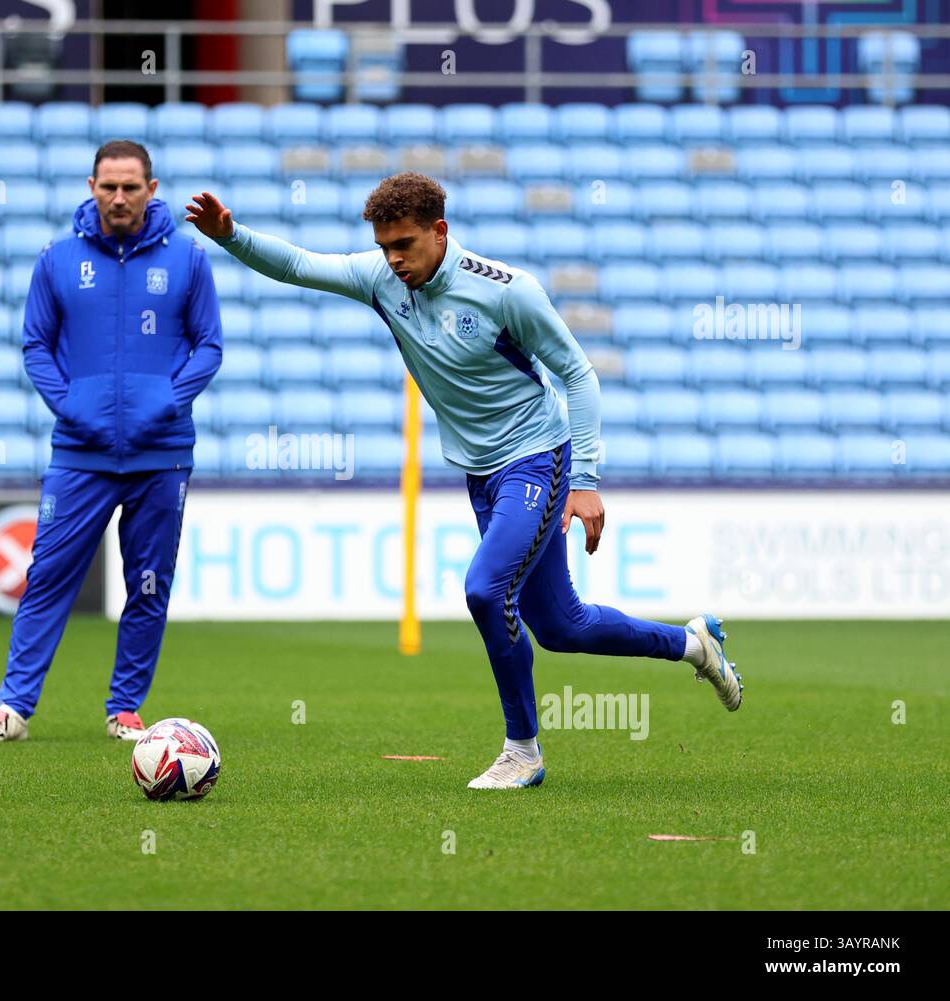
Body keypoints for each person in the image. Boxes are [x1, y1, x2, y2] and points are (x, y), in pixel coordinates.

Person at [184, 172, 742, 789]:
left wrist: (584, 479)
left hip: (537, 458)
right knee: (561, 627)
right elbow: (297, 265)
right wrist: (230, 235)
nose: (393, 260)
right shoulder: (380, 278)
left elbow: (579, 375)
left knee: (483, 588)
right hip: (482, 474)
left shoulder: (508, 293)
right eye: (384, 247)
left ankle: (522, 751)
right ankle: (694, 645)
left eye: (405, 245)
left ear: (439, 231)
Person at [0, 140, 223, 743]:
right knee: (48, 575)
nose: (118, 197)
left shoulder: (188, 260)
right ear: (91, 187)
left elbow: (208, 346)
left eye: (130, 186)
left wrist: (163, 402)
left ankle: (126, 709)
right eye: (107, 186)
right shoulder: (56, 260)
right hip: (80, 453)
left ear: (151, 190)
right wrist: (72, 405)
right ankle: (13, 706)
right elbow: (35, 344)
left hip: (161, 454)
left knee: (148, 582)